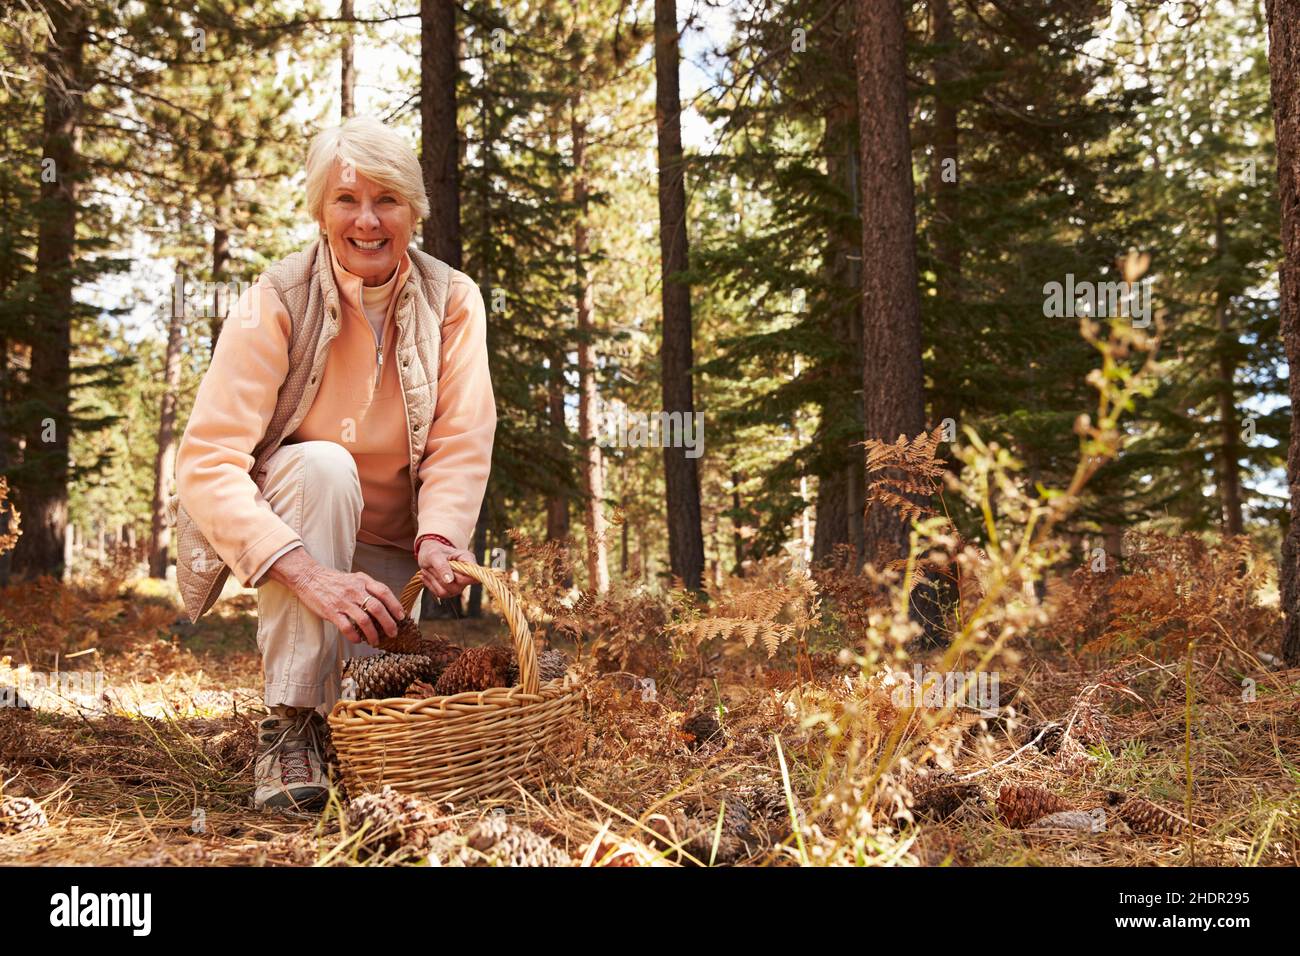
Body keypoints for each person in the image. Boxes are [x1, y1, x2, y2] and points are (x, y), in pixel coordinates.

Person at [174, 116, 496, 811]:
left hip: (386, 562)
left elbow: (461, 436)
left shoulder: (453, 301)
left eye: (388, 200)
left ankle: (330, 724)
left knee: (368, 730)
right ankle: (289, 727)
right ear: (321, 210)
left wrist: (440, 534)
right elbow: (206, 459)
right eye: (347, 199)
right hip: (299, 539)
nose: (369, 220)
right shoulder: (277, 298)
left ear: (415, 208)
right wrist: (309, 575)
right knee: (321, 465)